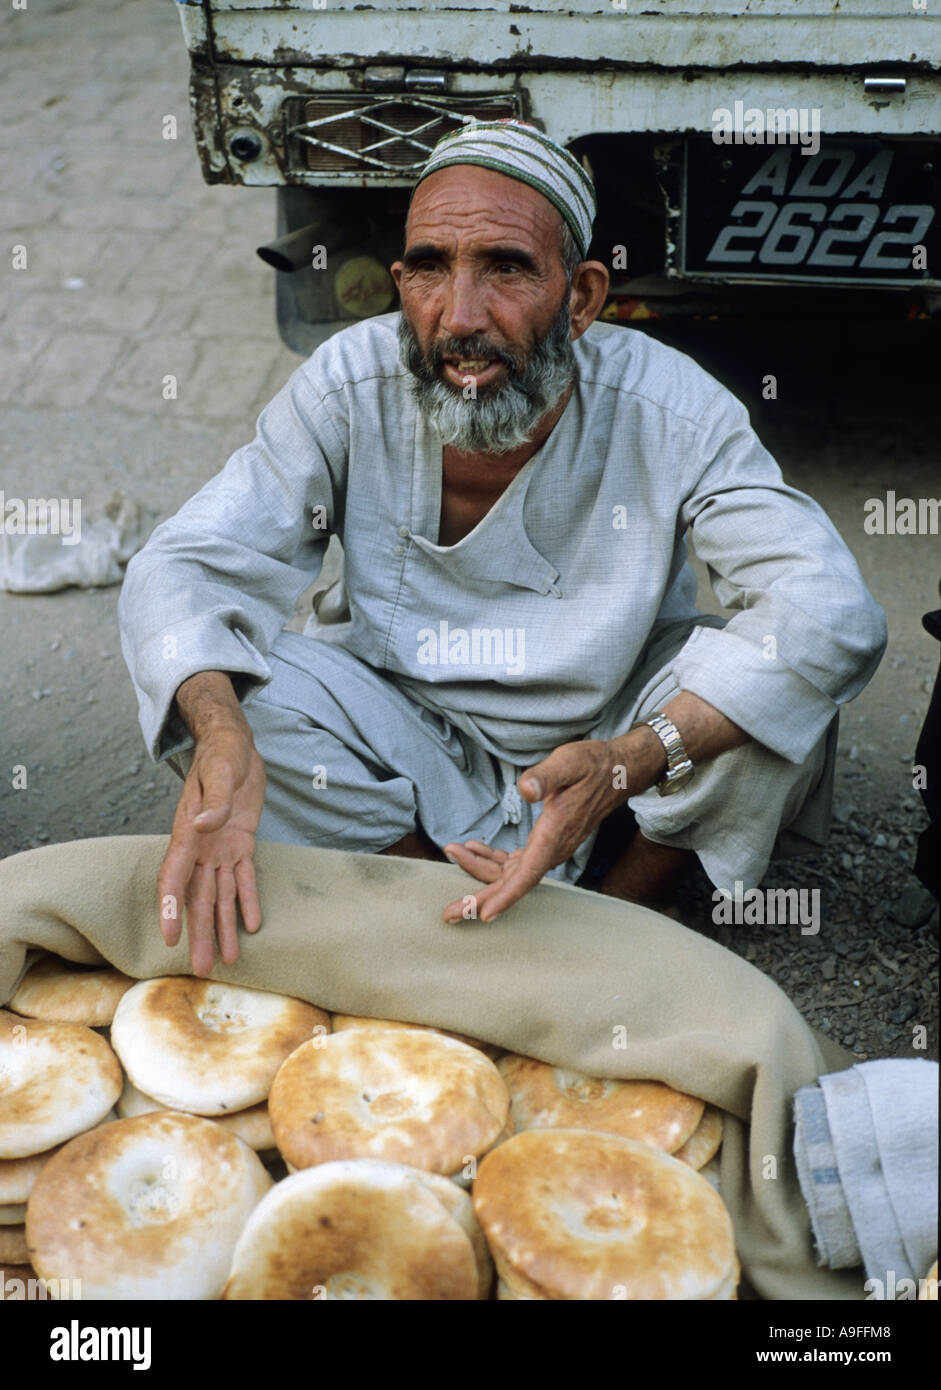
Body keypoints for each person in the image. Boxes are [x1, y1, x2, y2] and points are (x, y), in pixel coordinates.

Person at [118, 121, 887, 975]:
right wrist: (222, 734)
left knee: (769, 692)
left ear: (583, 296)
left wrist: (633, 760)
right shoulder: (349, 383)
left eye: (507, 268)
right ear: (401, 281)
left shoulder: (673, 408)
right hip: (402, 725)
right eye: (430, 269)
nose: (461, 315)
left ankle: (610, 922)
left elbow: (828, 610)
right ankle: (438, 914)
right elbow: (184, 565)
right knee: (221, 685)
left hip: (608, 737)